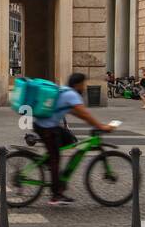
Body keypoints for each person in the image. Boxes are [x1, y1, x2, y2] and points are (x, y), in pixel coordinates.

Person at [33, 73, 116, 206]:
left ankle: (49, 161)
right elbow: (85, 114)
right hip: (46, 127)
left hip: (46, 124)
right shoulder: (72, 95)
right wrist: (101, 126)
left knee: (69, 139)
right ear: (78, 84)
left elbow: (78, 113)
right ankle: (56, 195)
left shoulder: (66, 91)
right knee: (55, 158)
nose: (84, 87)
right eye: (83, 84)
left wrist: (93, 123)